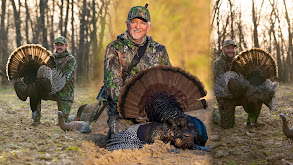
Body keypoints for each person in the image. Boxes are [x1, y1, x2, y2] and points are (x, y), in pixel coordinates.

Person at [103, 4, 171, 137]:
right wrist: (136, 111)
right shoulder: (114, 49)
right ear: (127, 24)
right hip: (123, 112)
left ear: (148, 27)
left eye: (142, 23)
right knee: (123, 136)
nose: (138, 26)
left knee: (178, 130)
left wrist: (157, 110)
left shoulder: (159, 50)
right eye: (134, 22)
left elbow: (168, 83)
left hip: (153, 111)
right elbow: (113, 87)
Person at [32, 36, 77, 125]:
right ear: (54, 46)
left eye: (61, 45)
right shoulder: (50, 58)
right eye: (57, 45)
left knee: (64, 123)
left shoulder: (70, 60)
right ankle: (36, 120)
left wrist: (52, 84)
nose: (59, 47)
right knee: (34, 92)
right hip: (51, 88)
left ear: (66, 46)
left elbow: (66, 78)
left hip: (65, 91)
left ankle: (76, 116)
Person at [212, 39, 237, 129]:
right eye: (228, 48)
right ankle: (215, 114)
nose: (230, 50)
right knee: (227, 125)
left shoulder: (238, 61)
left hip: (237, 92)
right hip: (224, 95)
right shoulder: (218, 64)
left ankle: (251, 121)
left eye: (232, 48)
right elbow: (221, 85)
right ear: (223, 49)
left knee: (254, 96)